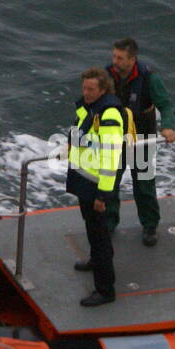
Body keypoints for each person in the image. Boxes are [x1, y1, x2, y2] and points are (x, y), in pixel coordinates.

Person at [106, 37, 175, 246]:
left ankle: (150, 226)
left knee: (144, 185)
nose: (115, 62)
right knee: (109, 183)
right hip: (115, 138)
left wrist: (168, 126)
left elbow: (166, 105)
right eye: (113, 57)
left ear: (132, 59)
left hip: (142, 139)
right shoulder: (107, 75)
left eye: (120, 58)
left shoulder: (149, 78)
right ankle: (109, 223)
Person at [66, 67, 126, 306]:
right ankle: (94, 261)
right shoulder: (90, 108)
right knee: (92, 230)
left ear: (103, 90)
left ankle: (105, 290)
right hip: (84, 181)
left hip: (96, 186)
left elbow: (112, 158)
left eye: (91, 89)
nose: (86, 92)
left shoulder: (109, 115)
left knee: (100, 237)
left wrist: (103, 194)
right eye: (84, 88)